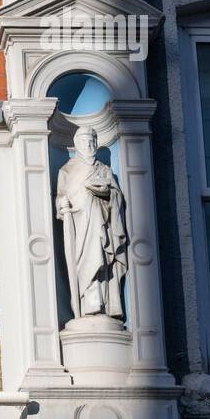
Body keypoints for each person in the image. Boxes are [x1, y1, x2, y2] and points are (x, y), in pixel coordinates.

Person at [56, 126, 128, 321]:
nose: (89, 145)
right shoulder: (67, 170)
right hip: (80, 227)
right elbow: (61, 198)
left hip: (102, 225)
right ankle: (87, 304)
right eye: (84, 142)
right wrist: (61, 204)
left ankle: (103, 304)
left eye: (92, 142)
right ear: (77, 144)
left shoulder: (104, 170)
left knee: (102, 261)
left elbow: (117, 197)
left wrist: (108, 193)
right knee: (85, 264)